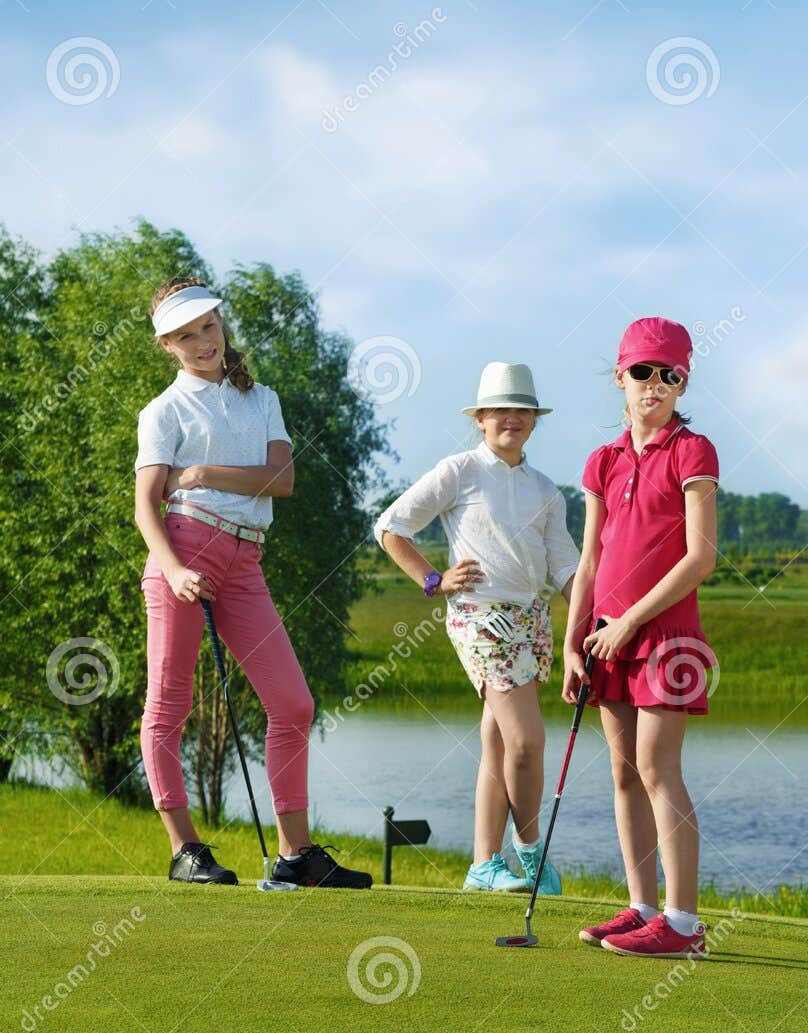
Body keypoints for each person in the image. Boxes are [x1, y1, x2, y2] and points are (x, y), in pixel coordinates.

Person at [134, 278, 371, 888]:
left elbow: (281, 480)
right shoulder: (163, 411)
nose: (202, 342)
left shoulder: (262, 399)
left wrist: (202, 472)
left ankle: (296, 855)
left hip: (245, 561)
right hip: (184, 552)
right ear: (167, 346)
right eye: (185, 336)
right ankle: (185, 848)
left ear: (221, 323)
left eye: (207, 327)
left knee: (293, 704)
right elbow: (145, 506)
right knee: (169, 704)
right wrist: (175, 570)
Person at [374, 361, 578, 893]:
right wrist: (433, 579)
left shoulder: (547, 490)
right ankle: (530, 853)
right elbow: (391, 527)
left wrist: (593, 619)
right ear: (480, 419)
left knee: (499, 743)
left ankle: (483, 864)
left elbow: (566, 569)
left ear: (534, 420)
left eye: (522, 410)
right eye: (499, 410)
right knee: (527, 742)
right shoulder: (459, 470)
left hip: (533, 620)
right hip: (481, 617)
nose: (511, 418)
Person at [562, 317, 719, 958]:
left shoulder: (693, 451)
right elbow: (590, 561)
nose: (654, 384)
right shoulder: (603, 460)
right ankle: (642, 908)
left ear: (682, 383)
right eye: (642, 372)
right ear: (620, 378)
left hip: (666, 635)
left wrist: (631, 620)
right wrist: (573, 642)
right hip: (605, 636)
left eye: (668, 375)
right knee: (624, 773)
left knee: (657, 768)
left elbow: (700, 557)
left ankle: (683, 924)